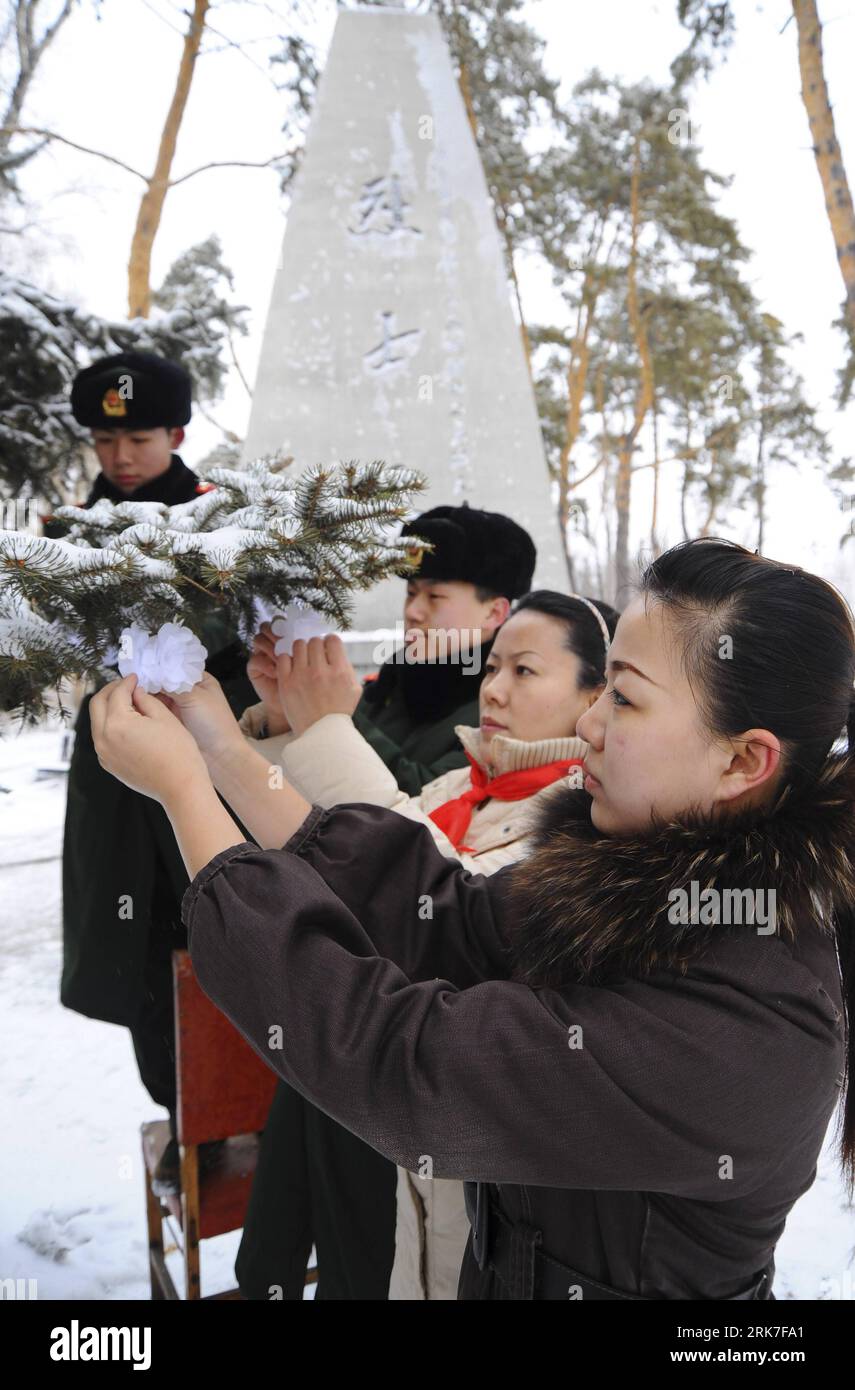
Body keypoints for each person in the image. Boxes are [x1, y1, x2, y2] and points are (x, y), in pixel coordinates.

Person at [90, 537, 855, 1299]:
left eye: (622, 696)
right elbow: (433, 913)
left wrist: (186, 799)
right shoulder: (635, 886)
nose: (590, 725)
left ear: (741, 762)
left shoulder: (749, 1021)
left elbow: (407, 1066)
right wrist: (216, 740)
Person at [248, 589, 617, 1299]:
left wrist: (325, 728)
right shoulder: (460, 785)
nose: (495, 689)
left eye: (525, 671)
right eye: (493, 667)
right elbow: (326, 864)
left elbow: (432, 897)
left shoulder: (588, 820)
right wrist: (281, 723)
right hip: (413, 1150)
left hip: (494, 1165)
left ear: (595, 696)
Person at [236, 501, 537, 1299]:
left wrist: (328, 721)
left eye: (436, 594)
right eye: (409, 592)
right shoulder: (391, 690)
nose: (412, 610)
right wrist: (283, 717)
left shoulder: (500, 724)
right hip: (347, 1012)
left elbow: (402, 838)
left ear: (495, 612)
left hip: (410, 1046)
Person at [57, 351, 257, 1197]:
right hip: (113, 769)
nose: (121, 457)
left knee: (223, 927)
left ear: (176, 434)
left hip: (209, 758)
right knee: (135, 944)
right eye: (105, 439)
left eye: (138, 436)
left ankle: (257, 1106)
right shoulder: (67, 538)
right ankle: (189, 1124)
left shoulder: (226, 526)